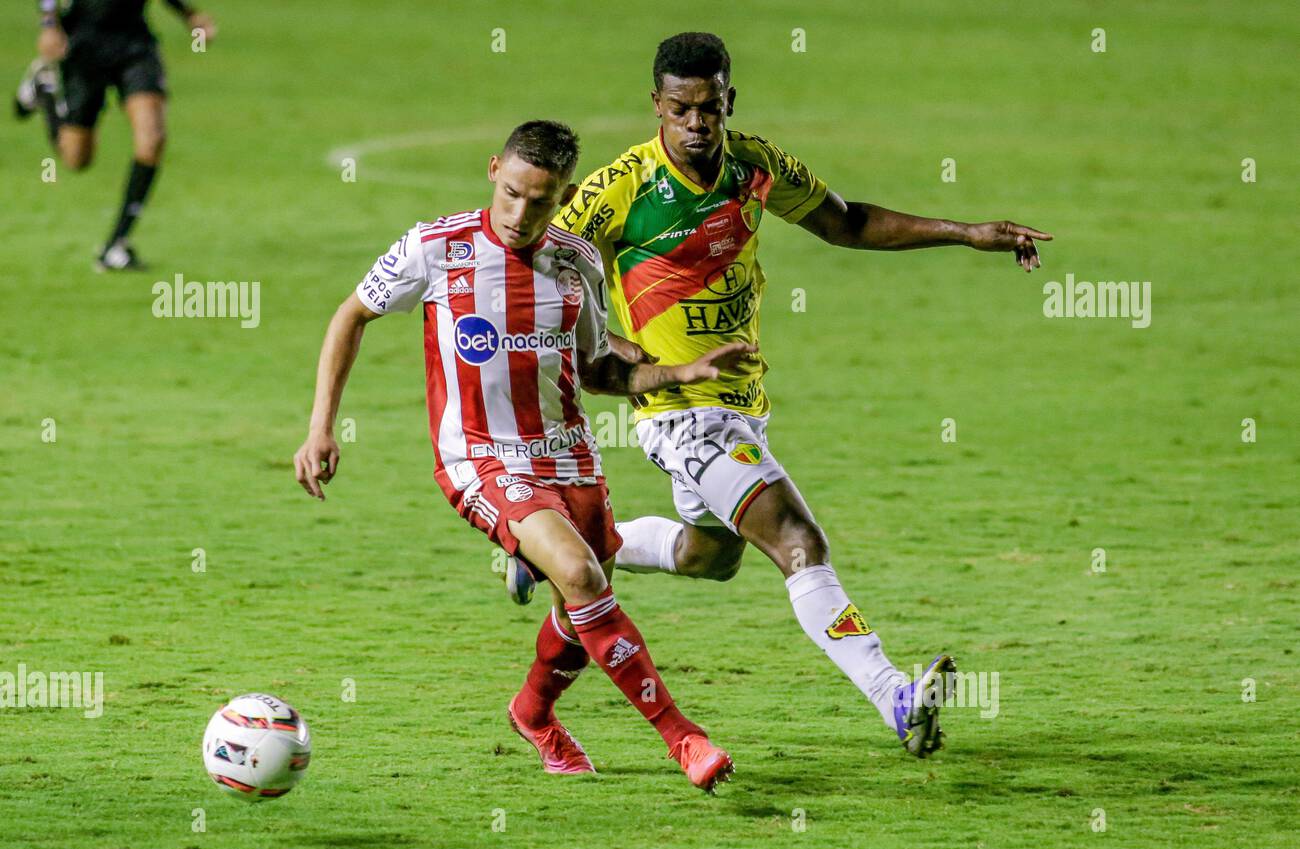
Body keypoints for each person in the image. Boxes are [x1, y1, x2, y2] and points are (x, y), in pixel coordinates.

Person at [548, 32, 1055, 758]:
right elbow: (544, 270)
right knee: (798, 543)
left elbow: (845, 222)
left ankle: (559, 550)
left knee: (708, 557)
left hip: (742, 403)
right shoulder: (619, 188)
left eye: (710, 109)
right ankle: (895, 697)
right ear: (656, 106)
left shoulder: (753, 165)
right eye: (681, 109)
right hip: (682, 412)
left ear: (729, 102)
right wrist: (611, 350)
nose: (697, 125)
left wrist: (966, 232)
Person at [293, 120, 753, 792]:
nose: (519, 214)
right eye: (511, 193)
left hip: (571, 457)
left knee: (580, 606)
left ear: (563, 195)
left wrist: (679, 376)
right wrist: (320, 428)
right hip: (479, 459)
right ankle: (685, 741)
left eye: (540, 202)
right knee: (582, 576)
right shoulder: (435, 247)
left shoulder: (578, 263)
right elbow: (350, 315)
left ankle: (533, 714)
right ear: (492, 172)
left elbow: (599, 371)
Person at [13, 0, 217, 271]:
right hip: (84, 42)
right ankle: (44, 91)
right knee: (77, 159)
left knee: (152, 139)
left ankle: (116, 245)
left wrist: (189, 14)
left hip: (134, 44)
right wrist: (49, 24)